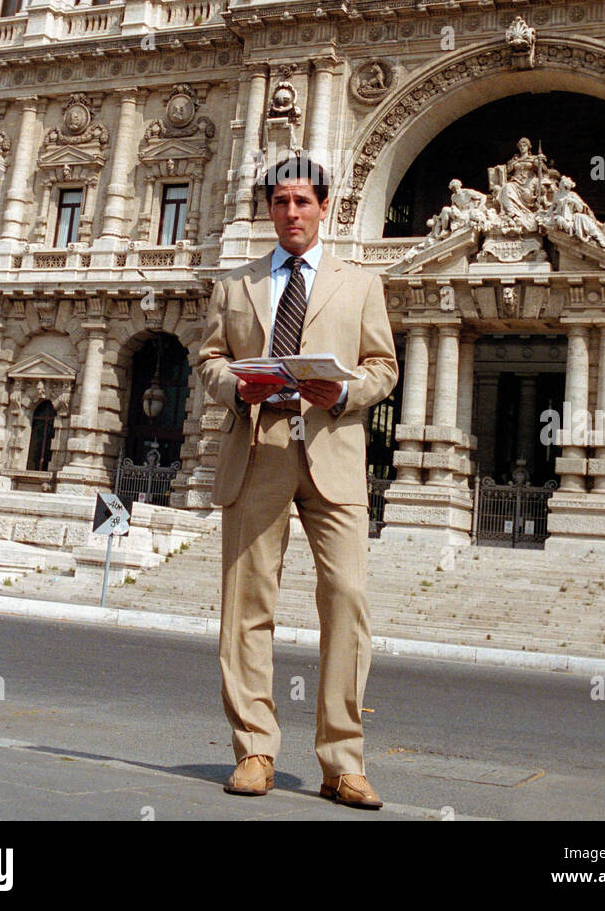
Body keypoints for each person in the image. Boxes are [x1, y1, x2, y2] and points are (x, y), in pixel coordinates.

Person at [196, 152, 399, 809]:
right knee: (247, 606)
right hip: (258, 447)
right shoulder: (236, 283)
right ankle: (254, 748)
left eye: (302, 202)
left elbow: (382, 367)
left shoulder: (360, 284)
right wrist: (234, 384)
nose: (291, 213)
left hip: (332, 448)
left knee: (347, 601)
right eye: (280, 202)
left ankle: (343, 761)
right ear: (269, 209)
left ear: (324, 207)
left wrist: (342, 392)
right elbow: (210, 359)